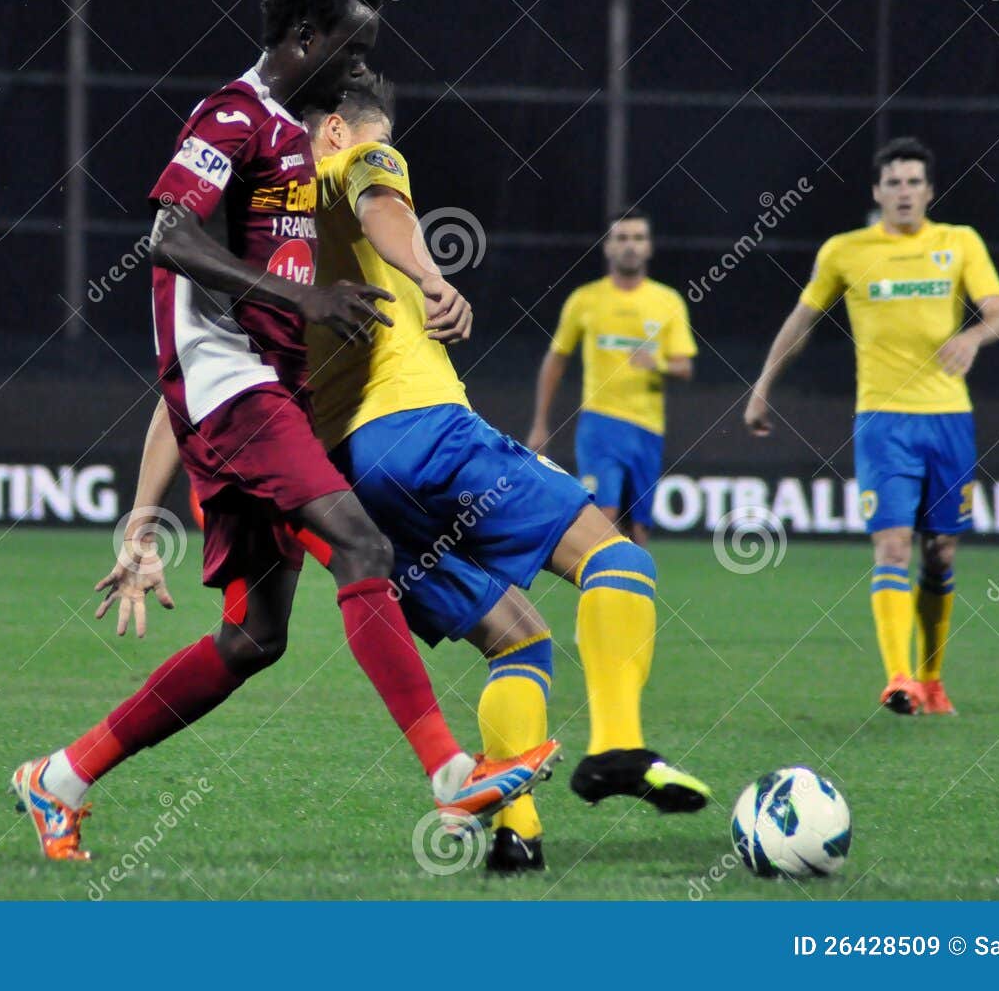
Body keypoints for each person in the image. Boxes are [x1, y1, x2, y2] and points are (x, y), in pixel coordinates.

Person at [11, 0, 557, 863]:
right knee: (362, 543)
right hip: (234, 388)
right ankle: (450, 772)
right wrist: (300, 301)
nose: (358, 62)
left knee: (253, 638)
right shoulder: (233, 116)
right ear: (305, 37)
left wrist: (145, 515)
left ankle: (59, 777)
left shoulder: (302, 149)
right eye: (352, 44)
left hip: (258, 397)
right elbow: (168, 235)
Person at [99, 81, 709, 875]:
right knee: (617, 556)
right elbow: (385, 200)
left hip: (349, 487)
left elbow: (183, 390)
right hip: (420, 426)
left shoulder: (252, 246)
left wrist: (142, 517)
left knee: (518, 637)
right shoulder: (355, 154)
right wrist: (428, 272)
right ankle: (619, 746)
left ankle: (515, 833)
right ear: (338, 127)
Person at [744, 137, 999, 716]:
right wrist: (763, 384)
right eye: (893, 183)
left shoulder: (958, 243)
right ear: (877, 192)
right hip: (882, 421)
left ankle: (933, 679)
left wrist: (971, 335)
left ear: (930, 190)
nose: (904, 192)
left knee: (940, 554)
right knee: (891, 546)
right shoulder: (846, 250)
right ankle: (898, 677)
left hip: (948, 420)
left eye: (914, 182)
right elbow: (802, 319)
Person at [527, 212, 695, 546]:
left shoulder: (668, 301)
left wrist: (657, 363)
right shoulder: (585, 300)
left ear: (649, 248)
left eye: (637, 238)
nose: (630, 246)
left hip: (648, 429)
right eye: (621, 238)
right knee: (601, 521)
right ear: (608, 247)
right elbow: (556, 359)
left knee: (638, 532)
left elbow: (685, 368)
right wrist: (540, 423)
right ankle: (597, 596)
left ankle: (632, 597)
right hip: (600, 424)